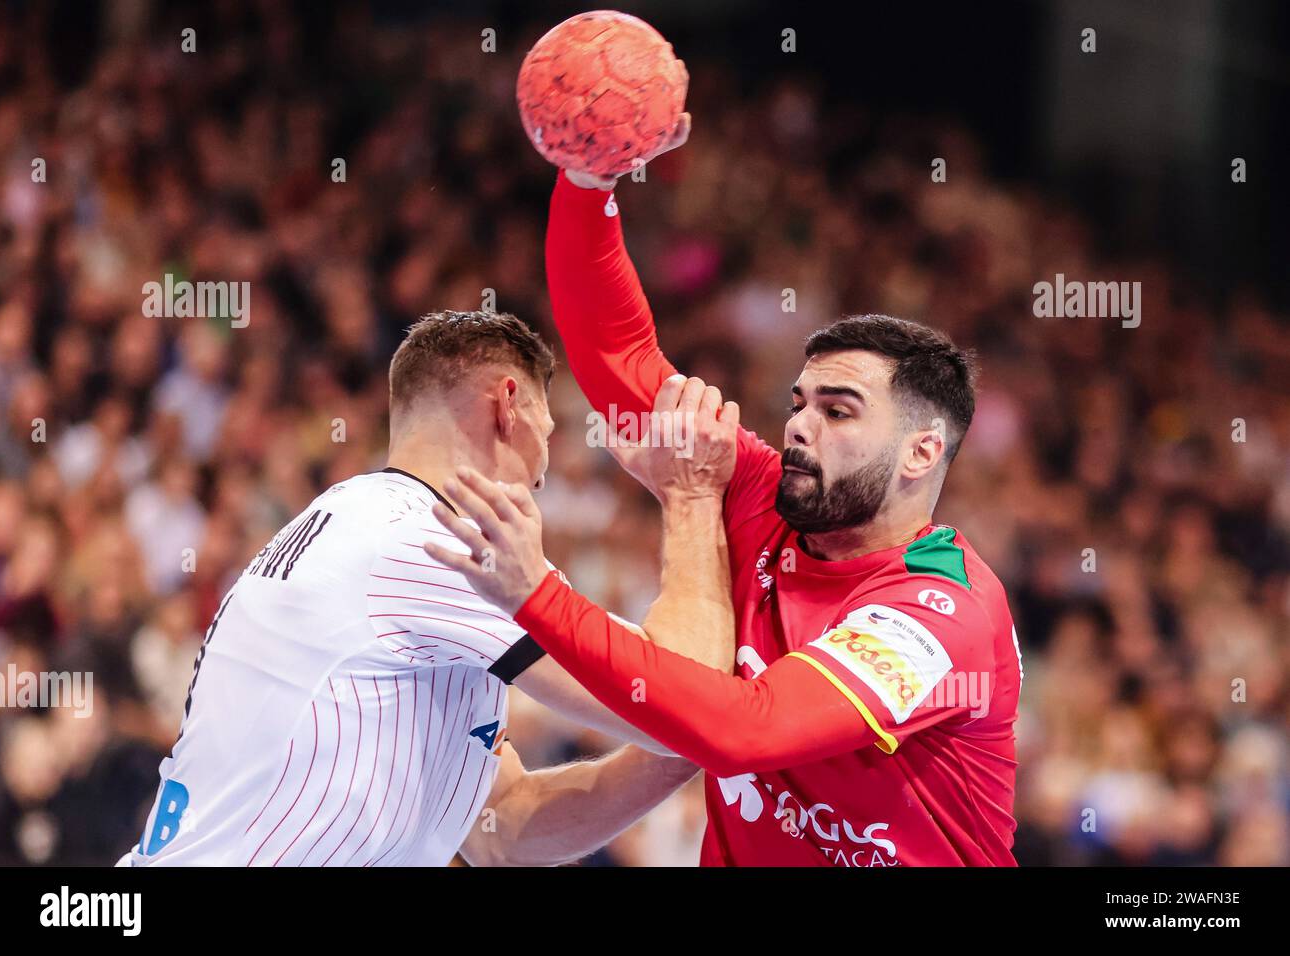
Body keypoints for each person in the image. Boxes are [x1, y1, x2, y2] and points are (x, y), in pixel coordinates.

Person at [424, 133, 1024, 867]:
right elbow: (624, 363)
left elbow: (746, 731)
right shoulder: (761, 495)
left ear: (921, 452)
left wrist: (537, 595)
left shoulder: (941, 612)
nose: (800, 423)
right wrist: (587, 184)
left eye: (838, 412)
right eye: (799, 401)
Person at [120, 310, 736, 866]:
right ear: (508, 407)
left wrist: (690, 752)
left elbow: (507, 827)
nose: (545, 473)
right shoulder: (431, 544)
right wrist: (692, 496)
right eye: (546, 434)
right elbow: (683, 698)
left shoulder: (363, 525)